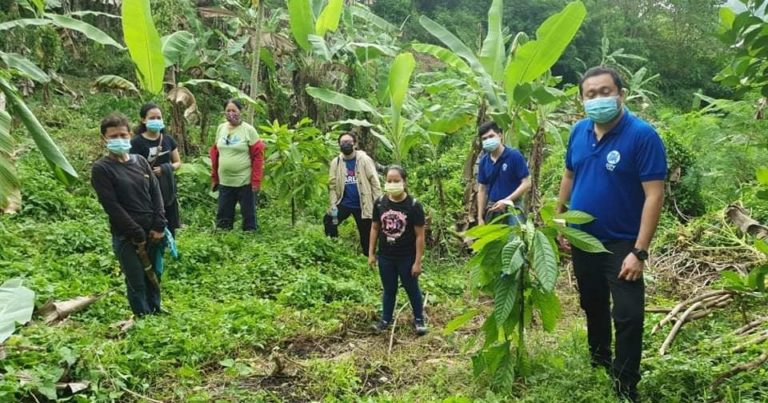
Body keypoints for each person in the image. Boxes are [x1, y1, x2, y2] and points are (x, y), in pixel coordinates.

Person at [556, 66, 666, 402]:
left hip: (622, 242)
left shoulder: (642, 135)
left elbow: (654, 194)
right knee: (592, 303)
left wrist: (640, 251)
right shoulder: (578, 131)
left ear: (621, 94)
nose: (598, 99)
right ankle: (599, 358)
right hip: (583, 238)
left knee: (629, 314)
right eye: (590, 95)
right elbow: (569, 175)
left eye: (605, 92)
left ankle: (625, 383)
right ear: (582, 101)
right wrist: (560, 217)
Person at [91, 113, 167, 317]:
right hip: (126, 235)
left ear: (129, 136)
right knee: (136, 280)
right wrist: (135, 232)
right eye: (113, 136)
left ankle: (156, 311)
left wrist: (159, 224)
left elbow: (155, 192)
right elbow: (112, 206)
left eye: (123, 135)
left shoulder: (140, 162)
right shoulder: (102, 169)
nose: (119, 140)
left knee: (154, 274)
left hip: (152, 231)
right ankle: (143, 317)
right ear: (104, 139)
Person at [368, 165, 427, 336]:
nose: (392, 184)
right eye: (389, 181)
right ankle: (385, 320)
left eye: (396, 181)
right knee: (389, 289)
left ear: (404, 182)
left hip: (406, 257)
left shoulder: (414, 205)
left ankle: (419, 319)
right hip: (386, 256)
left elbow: (419, 236)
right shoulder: (380, 203)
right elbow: (374, 227)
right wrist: (372, 253)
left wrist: (417, 262)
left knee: (411, 288)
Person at [210, 99, 265, 231]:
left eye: (234, 110)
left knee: (248, 216)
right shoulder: (221, 129)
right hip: (225, 181)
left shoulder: (249, 130)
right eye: (228, 110)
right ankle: (224, 240)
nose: (231, 113)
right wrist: (214, 176)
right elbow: (216, 153)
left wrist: (256, 180)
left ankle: (250, 241)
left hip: (244, 181)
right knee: (223, 216)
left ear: (241, 112)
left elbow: (258, 156)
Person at [325, 132, 382, 256]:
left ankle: (369, 258)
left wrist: (378, 204)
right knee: (330, 220)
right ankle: (332, 247)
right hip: (343, 203)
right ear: (339, 145)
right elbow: (332, 185)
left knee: (366, 235)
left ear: (355, 144)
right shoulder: (336, 162)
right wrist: (333, 204)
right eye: (343, 143)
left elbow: (375, 183)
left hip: (363, 205)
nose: (346, 144)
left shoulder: (364, 160)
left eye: (348, 142)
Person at [130, 102, 182, 236]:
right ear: (143, 120)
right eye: (152, 118)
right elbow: (132, 167)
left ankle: (170, 247)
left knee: (170, 221)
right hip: (147, 189)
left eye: (159, 118)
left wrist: (165, 169)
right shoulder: (136, 143)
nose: (156, 121)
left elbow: (177, 162)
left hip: (167, 187)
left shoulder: (168, 140)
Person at [476, 122, 531, 226]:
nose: (488, 140)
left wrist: (506, 200)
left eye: (491, 136)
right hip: (493, 207)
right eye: (484, 138)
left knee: (515, 239)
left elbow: (526, 183)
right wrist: (480, 218)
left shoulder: (514, 156)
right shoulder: (484, 161)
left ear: (500, 135)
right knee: (493, 241)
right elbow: (482, 189)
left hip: (514, 206)